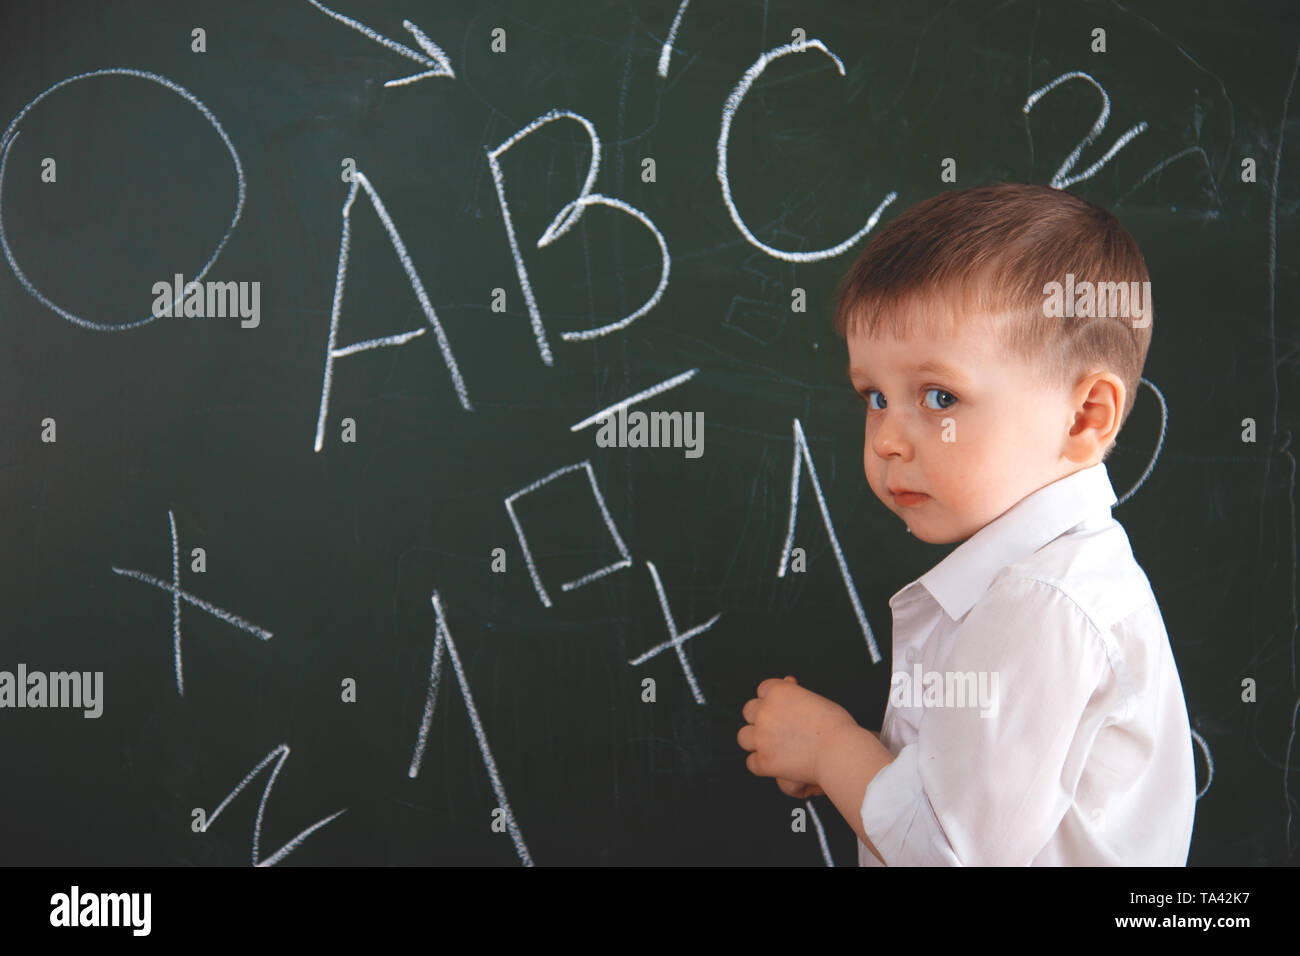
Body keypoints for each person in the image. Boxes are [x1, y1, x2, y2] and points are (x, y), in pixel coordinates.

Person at [737, 183, 1196, 865]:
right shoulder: (1044, 584)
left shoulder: (1043, 604)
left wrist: (832, 748)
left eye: (939, 396)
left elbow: (948, 855)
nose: (888, 438)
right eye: (874, 396)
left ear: (1083, 418)